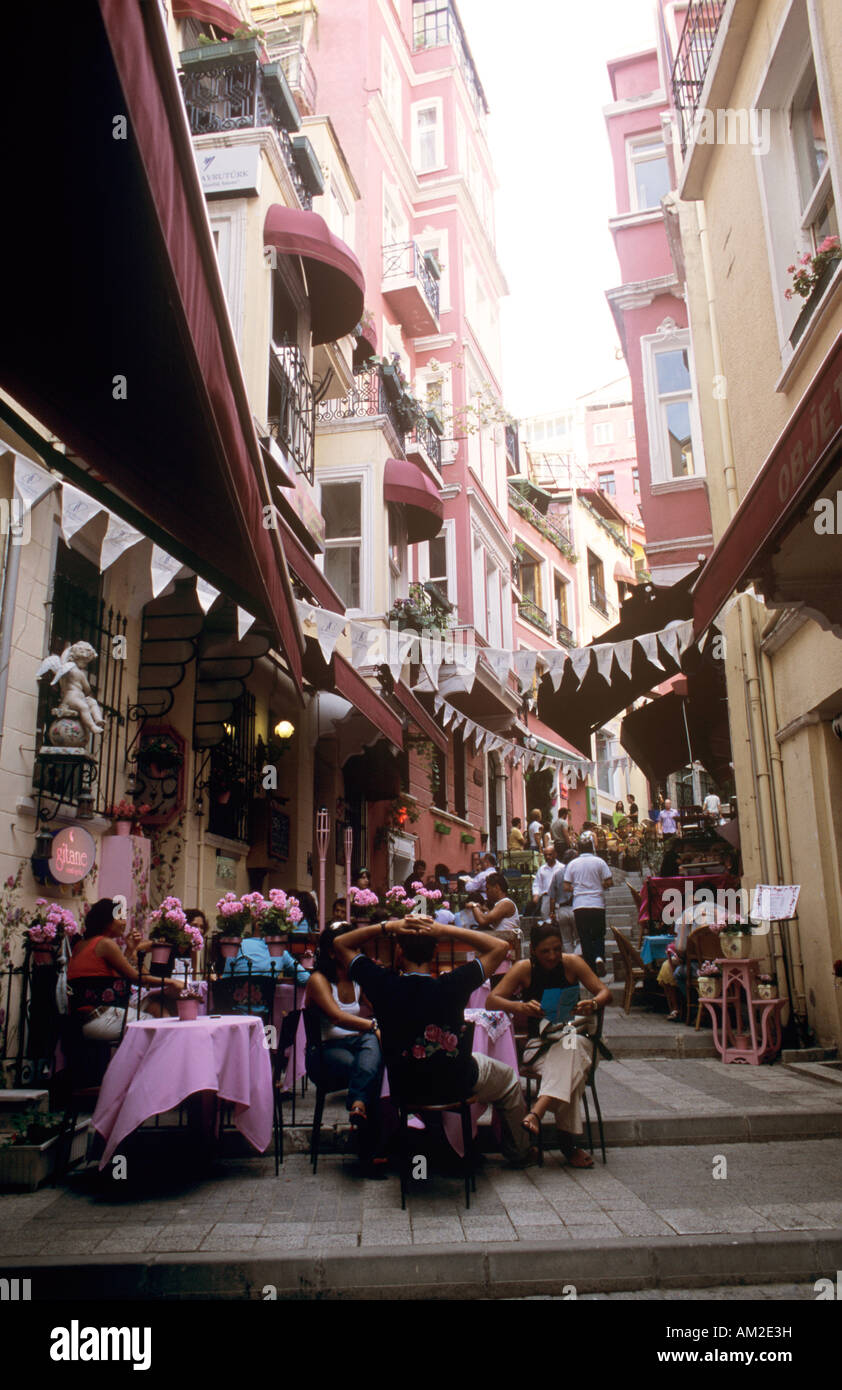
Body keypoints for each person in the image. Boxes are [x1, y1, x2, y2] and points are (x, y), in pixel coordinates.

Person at [333, 917, 535, 1166]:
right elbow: (500, 947)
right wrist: (444, 930)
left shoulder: (382, 983)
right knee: (508, 1080)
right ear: (436, 950)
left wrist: (387, 927)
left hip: (404, 1084)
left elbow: (340, 943)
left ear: (399, 951)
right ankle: (518, 1152)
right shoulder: (454, 983)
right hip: (455, 1082)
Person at [487, 921, 611, 1167]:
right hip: (541, 1046)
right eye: (546, 951)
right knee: (571, 1063)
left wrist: (593, 1004)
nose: (553, 956)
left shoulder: (572, 963)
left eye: (556, 949)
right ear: (533, 950)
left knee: (571, 1047)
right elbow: (493, 1000)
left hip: (577, 1038)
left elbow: (604, 992)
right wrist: (519, 1007)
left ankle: (537, 1111)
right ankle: (568, 1145)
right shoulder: (524, 968)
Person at [304, 923, 384, 1140]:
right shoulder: (318, 980)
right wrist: (373, 1025)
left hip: (356, 1044)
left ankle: (359, 1109)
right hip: (324, 1051)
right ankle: (373, 1145)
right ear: (332, 952)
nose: (355, 953)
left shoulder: (357, 978)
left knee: (370, 1046)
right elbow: (336, 1017)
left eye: (357, 948)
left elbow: (379, 1005)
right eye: (350, 947)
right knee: (370, 1067)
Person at [67, 897, 183, 1039]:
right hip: (98, 1017)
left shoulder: (83, 944)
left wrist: (130, 949)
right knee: (161, 1026)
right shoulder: (105, 944)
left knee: (156, 1008)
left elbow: (117, 974)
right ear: (107, 921)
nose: (124, 922)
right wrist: (172, 982)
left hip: (81, 1016)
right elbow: (136, 978)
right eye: (120, 917)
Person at [563, 836, 613, 975]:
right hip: (597, 904)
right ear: (592, 847)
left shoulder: (573, 864)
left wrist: (578, 888)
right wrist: (598, 885)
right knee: (598, 934)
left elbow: (566, 886)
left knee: (584, 936)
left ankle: (590, 967)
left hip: (580, 905)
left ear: (578, 849)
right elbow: (609, 882)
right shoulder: (600, 862)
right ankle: (599, 957)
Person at [223, 934, 310, 988]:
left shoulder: (237, 947)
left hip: (236, 1011)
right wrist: (282, 981)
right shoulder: (281, 952)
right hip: (265, 1011)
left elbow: (225, 979)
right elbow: (305, 978)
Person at [531, 844, 560, 919]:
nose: (548, 857)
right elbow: (537, 884)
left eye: (550, 855)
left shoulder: (561, 868)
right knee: (546, 921)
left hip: (558, 898)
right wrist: (536, 894)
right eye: (545, 855)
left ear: (555, 854)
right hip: (546, 898)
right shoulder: (542, 869)